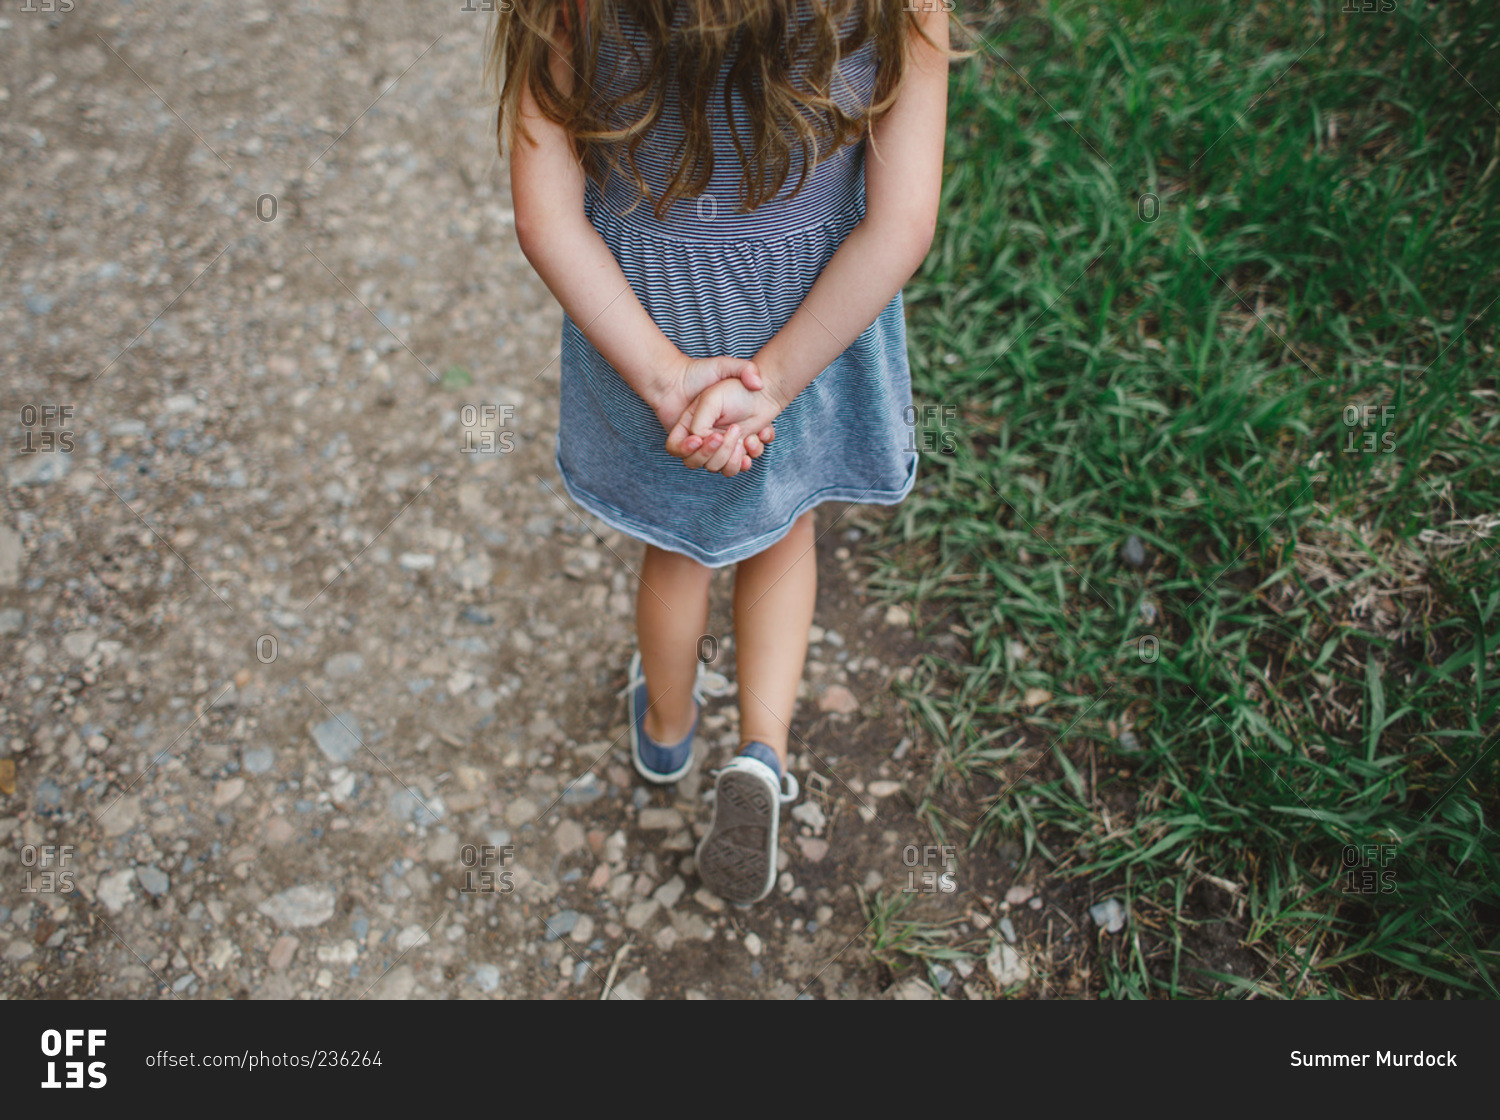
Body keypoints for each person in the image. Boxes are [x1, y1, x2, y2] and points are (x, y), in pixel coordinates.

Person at [489, 0, 949, 904]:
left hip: (654, 324)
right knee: (783, 535)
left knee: (679, 545)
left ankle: (667, 727)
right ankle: (762, 753)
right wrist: (771, 382)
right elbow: (902, 226)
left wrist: (667, 380)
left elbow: (547, 222)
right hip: (811, 322)